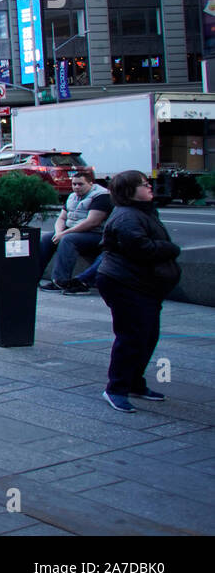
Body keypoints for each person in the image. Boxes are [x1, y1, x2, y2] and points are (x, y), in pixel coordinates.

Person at [96, 171, 181, 413]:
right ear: (128, 191)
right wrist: (171, 248)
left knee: (147, 335)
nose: (150, 188)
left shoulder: (143, 212)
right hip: (124, 284)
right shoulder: (126, 217)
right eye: (144, 185)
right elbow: (141, 248)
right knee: (132, 337)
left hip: (143, 285)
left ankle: (134, 382)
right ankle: (116, 388)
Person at [40, 170, 111, 293]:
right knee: (47, 238)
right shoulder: (72, 196)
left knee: (68, 240)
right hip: (73, 231)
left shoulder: (101, 196)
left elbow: (92, 222)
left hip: (95, 234)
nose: (76, 187)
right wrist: (58, 232)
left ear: (91, 183)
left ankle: (60, 281)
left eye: (80, 184)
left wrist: (64, 234)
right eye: (74, 184)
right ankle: (33, 276)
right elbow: (62, 218)